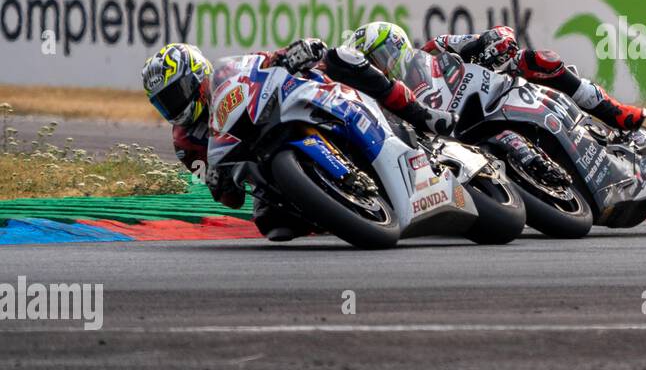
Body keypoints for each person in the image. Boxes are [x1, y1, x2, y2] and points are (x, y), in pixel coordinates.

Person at [141, 40, 450, 241]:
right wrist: (216, 181)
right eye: (162, 103)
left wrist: (293, 53)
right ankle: (339, 210)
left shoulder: (228, 72)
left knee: (340, 57)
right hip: (262, 163)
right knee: (272, 226)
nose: (172, 108)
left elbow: (267, 62)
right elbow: (229, 199)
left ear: (196, 77)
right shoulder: (185, 143)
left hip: (293, 106)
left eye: (174, 95)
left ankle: (420, 113)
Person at [414, 24, 646, 130]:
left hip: (503, 90)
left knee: (539, 60)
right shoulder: (407, 85)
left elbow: (501, 34)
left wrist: (495, 49)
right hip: (462, 116)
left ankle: (614, 111)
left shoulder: (448, 45)